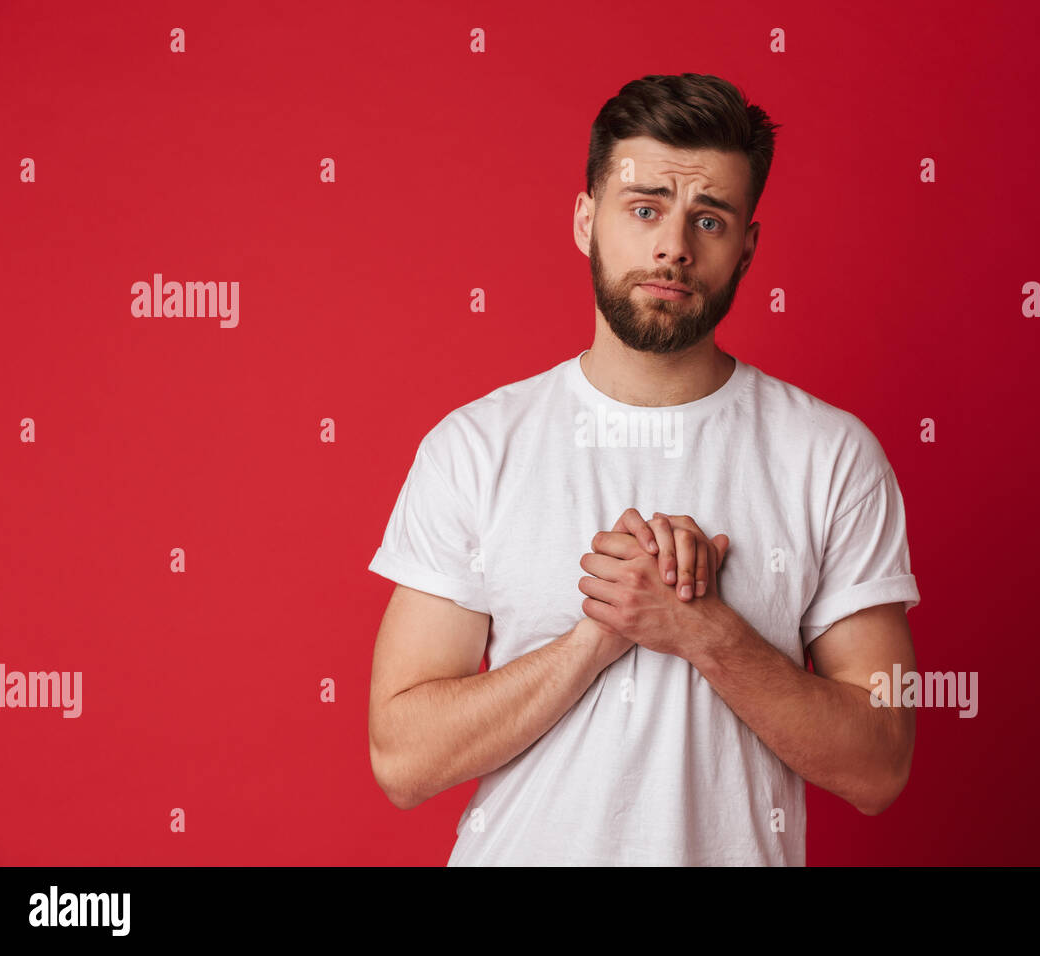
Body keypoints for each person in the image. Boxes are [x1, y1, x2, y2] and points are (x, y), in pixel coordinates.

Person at [366, 73, 920, 866]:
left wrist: (703, 630)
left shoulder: (831, 456)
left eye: (709, 219)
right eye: (645, 207)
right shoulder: (476, 447)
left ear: (749, 249)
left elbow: (880, 761)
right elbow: (403, 761)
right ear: (586, 221)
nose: (674, 247)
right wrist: (599, 633)